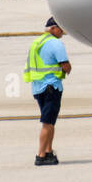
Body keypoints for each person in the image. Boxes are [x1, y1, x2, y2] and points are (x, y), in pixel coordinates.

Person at [22, 17, 71, 167]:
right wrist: (67, 69)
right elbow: (66, 66)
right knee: (47, 123)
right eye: (61, 29)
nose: (63, 32)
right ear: (53, 28)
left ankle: (48, 151)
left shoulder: (36, 42)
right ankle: (41, 155)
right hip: (51, 87)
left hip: (38, 87)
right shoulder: (56, 43)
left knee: (50, 123)